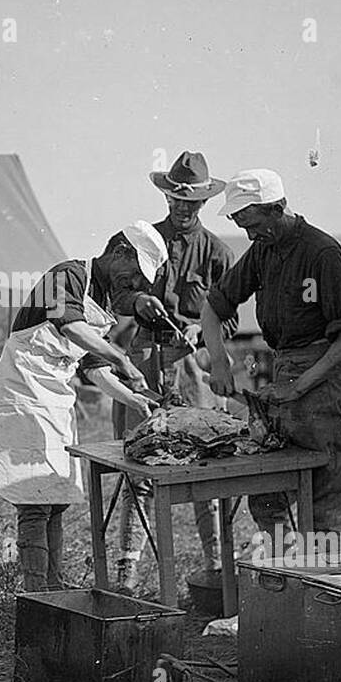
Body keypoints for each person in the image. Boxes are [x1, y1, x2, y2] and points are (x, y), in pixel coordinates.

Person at [0, 223, 165, 592]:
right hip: (25, 390)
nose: (134, 285)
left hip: (55, 395)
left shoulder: (100, 300)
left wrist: (132, 397)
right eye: (133, 274)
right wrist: (122, 358)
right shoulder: (65, 275)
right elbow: (70, 328)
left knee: (56, 496)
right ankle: (38, 590)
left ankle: (53, 582)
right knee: (33, 497)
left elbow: (91, 367)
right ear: (119, 252)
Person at [201, 169, 341, 547]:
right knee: (267, 495)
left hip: (321, 384)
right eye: (242, 227)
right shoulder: (262, 250)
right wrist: (220, 361)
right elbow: (213, 308)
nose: (250, 236)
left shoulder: (322, 253)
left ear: (276, 208)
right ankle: (286, 582)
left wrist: (300, 386)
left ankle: (329, 591)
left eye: (254, 224)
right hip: (282, 376)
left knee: (326, 503)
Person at [99, 151, 236, 594]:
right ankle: (126, 572)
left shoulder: (219, 252)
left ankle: (216, 571)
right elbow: (115, 292)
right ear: (166, 195)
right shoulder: (141, 240)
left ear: (203, 202)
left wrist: (203, 330)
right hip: (144, 363)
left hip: (194, 370)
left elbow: (230, 318)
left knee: (204, 466)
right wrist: (138, 304)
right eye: (176, 198)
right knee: (137, 467)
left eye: (192, 202)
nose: (183, 207)